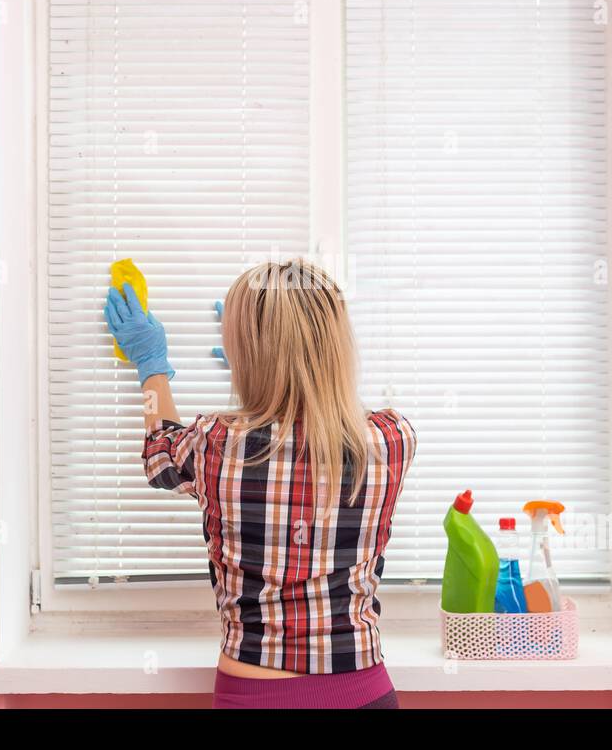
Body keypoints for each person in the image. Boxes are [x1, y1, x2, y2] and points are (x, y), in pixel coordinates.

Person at [105, 259, 416, 708]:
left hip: (255, 694)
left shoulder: (215, 442)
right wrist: (281, 370)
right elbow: (329, 426)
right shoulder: (392, 440)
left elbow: (160, 452)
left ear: (245, 354)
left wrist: (152, 366)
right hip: (364, 693)